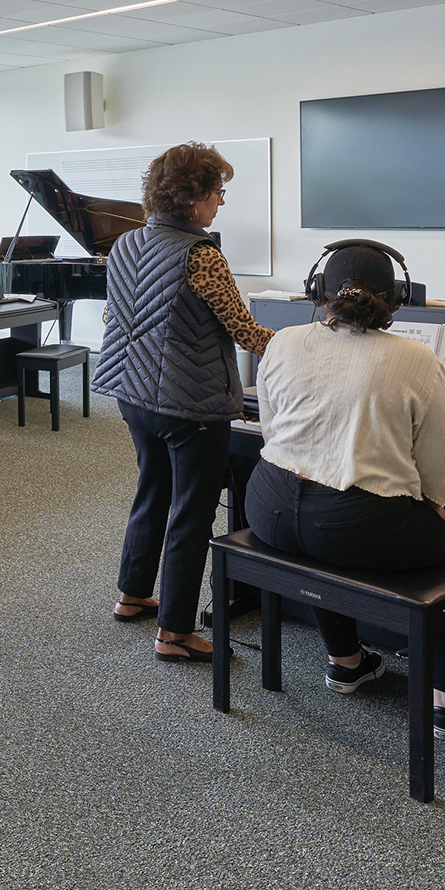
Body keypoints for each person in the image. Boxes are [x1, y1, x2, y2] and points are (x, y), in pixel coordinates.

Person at [245, 241, 445, 740]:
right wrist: (438, 505)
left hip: (269, 506)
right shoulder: (415, 358)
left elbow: (271, 430)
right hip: (352, 524)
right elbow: (438, 467)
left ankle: (347, 662)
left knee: (325, 540)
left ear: (317, 292)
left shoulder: (282, 340)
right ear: (397, 298)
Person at [91, 142, 274, 663]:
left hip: (132, 394)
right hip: (189, 404)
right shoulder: (201, 255)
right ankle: (174, 633)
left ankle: (132, 594)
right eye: (218, 193)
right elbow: (245, 331)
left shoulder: (124, 244)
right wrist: (310, 344)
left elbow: (113, 320)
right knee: (191, 513)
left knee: (153, 489)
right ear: (192, 197)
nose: (221, 203)